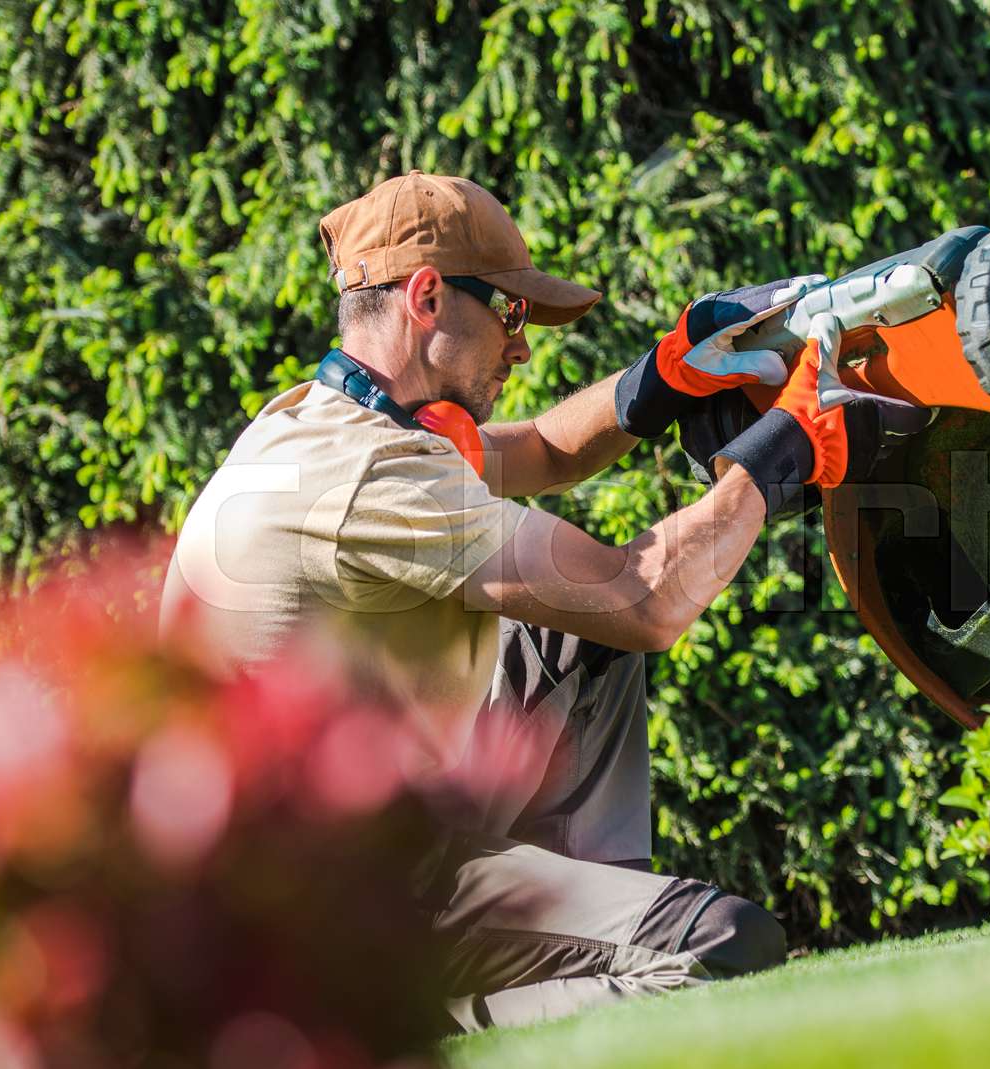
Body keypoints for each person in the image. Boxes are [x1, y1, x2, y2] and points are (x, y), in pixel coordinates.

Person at [159, 171, 921, 1028]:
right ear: (427, 296)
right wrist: (786, 448)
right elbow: (646, 597)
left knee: (574, 639)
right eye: (510, 315)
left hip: (358, 850)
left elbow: (545, 450)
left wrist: (665, 378)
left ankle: (599, 919)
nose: (520, 347)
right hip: (343, 918)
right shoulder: (371, 473)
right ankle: (414, 1026)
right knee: (724, 948)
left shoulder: (312, 425)